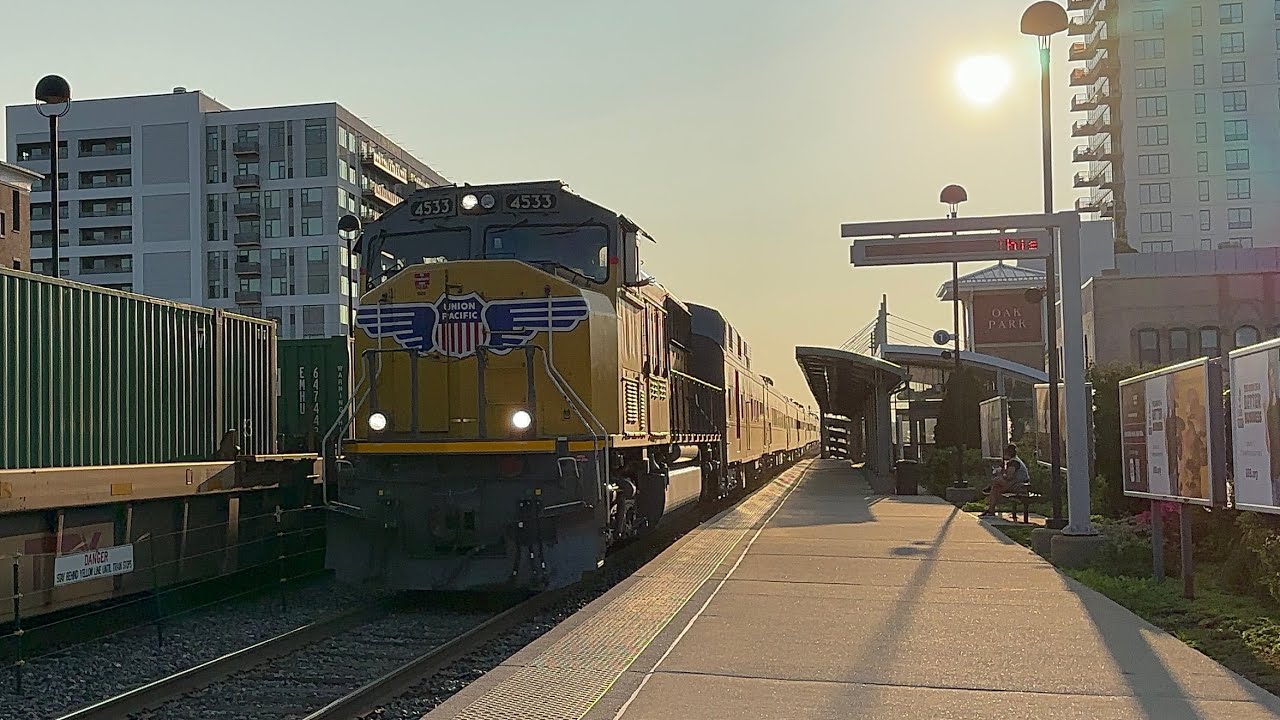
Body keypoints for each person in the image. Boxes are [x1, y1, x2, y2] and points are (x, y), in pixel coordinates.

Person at [981, 443, 1031, 517]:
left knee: (996, 481)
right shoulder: (1010, 461)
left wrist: (1002, 474)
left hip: (1020, 486)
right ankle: (991, 509)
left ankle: (990, 507)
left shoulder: (1014, 462)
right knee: (995, 489)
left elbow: (1009, 476)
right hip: (1014, 484)